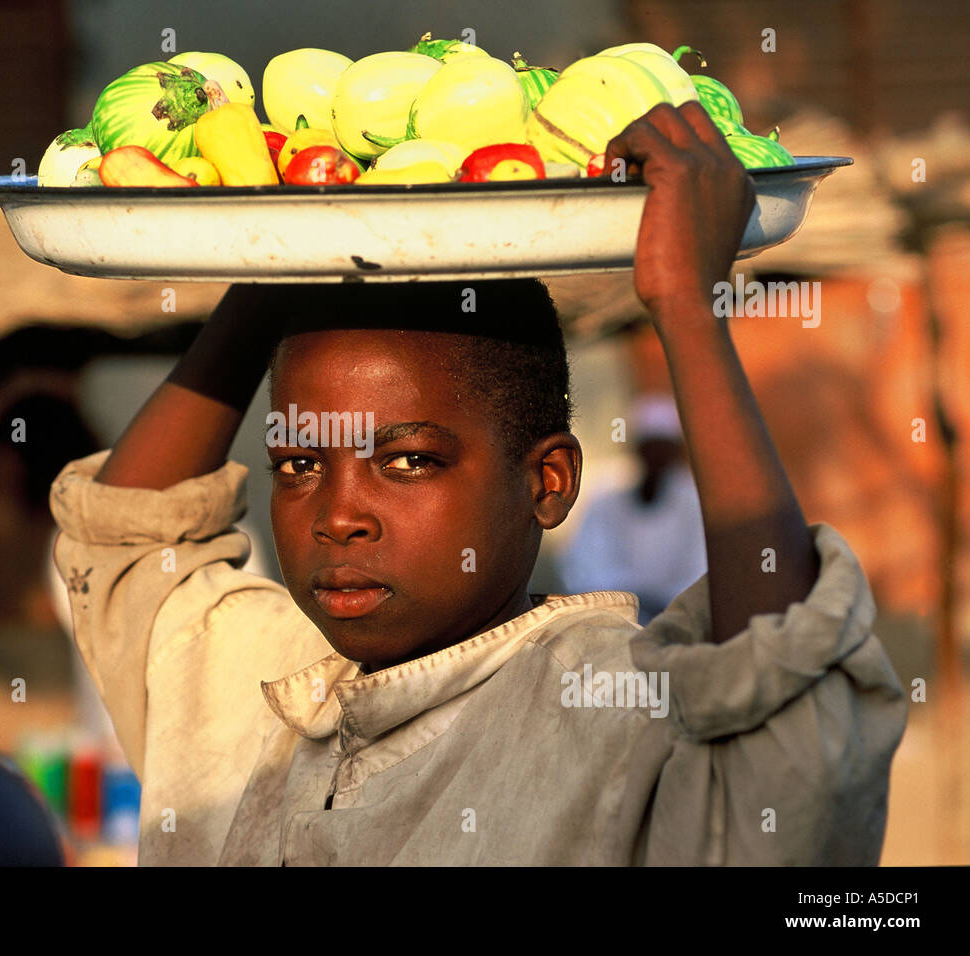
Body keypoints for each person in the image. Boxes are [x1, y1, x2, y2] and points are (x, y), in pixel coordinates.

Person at [48, 103, 907, 865]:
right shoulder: (262, 683)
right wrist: (276, 260)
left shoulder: (617, 710)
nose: (338, 515)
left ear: (549, 481)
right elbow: (129, 544)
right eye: (300, 464)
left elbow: (794, 723)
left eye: (410, 460)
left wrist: (686, 306)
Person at [558, 393, 707, 623]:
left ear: (676, 453)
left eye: (664, 449)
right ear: (638, 449)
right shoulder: (605, 493)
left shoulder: (694, 500)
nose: (657, 458)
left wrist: (664, 604)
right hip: (612, 619)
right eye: (651, 448)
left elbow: (698, 573)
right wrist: (632, 601)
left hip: (676, 621)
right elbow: (586, 566)